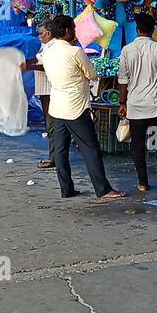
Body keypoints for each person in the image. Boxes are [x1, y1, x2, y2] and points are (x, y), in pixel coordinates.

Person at [42, 14, 123, 201]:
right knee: (90, 148)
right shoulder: (75, 52)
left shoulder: (48, 50)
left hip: (57, 106)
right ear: (68, 31)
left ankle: (66, 189)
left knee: (61, 150)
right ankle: (103, 190)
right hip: (75, 108)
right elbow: (92, 74)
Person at [118, 12, 157, 194]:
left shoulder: (127, 50)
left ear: (137, 29)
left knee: (138, 146)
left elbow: (123, 80)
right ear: (153, 30)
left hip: (135, 108)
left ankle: (142, 183)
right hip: (155, 107)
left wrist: (122, 103)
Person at [22, 20, 57, 170]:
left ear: (49, 33)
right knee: (51, 125)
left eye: (41, 33)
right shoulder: (45, 46)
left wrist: (28, 66)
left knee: (53, 125)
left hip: (51, 90)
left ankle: (54, 157)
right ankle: (55, 156)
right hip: (44, 90)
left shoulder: (55, 47)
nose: (39, 36)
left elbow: (49, 65)